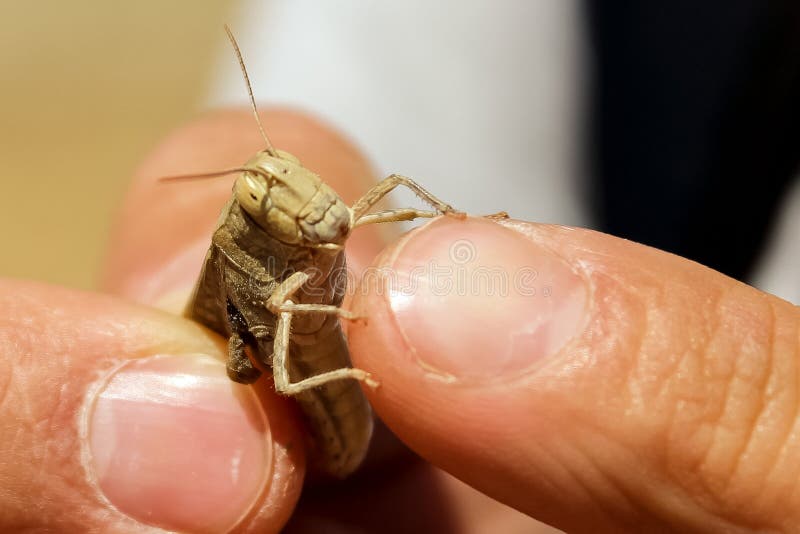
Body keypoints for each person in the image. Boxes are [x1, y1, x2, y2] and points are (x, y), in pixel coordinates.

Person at [2, 109, 797, 533]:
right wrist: (346, 363)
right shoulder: (238, 250)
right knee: (247, 369)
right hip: (310, 389)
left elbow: (377, 186)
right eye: (267, 190)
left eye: (287, 177)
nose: (294, 190)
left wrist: (457, 223)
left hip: (385, 415)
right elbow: (271, 361)